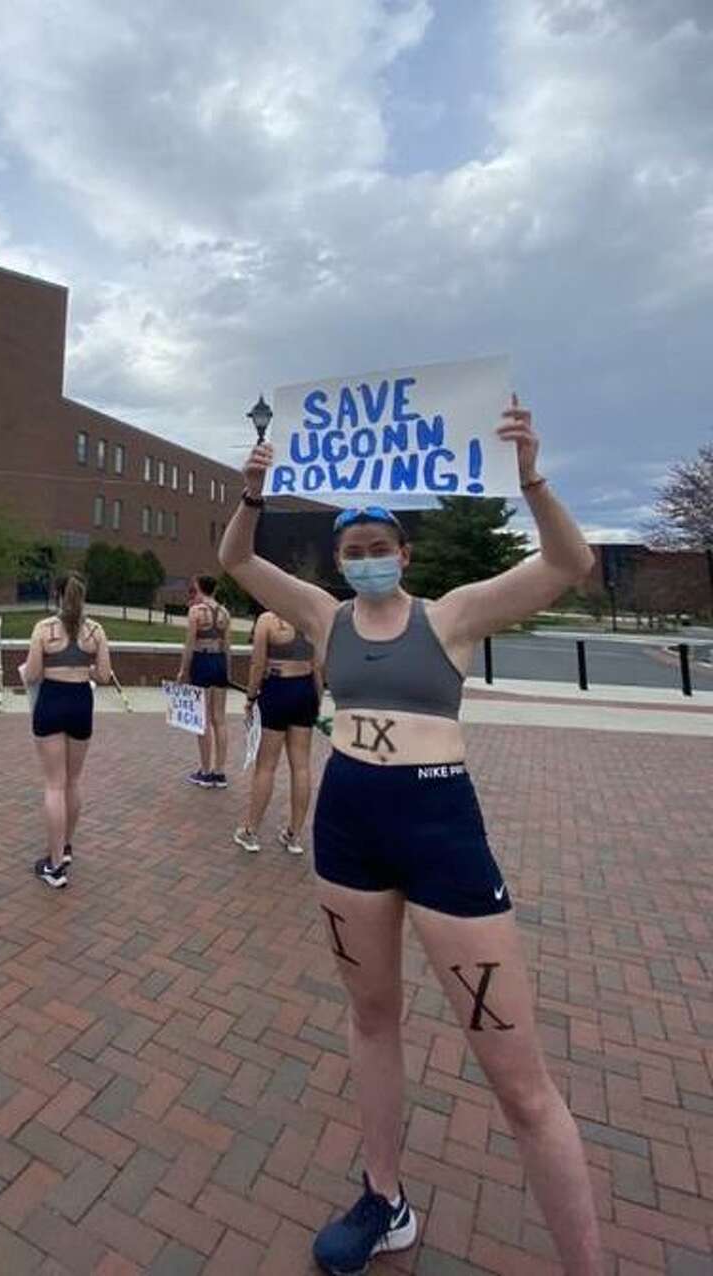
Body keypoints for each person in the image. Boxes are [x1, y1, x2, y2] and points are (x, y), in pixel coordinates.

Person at [219, 398, 603, 1274]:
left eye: (379, 546)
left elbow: (571, 563)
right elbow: (236, 559)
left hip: (440, 833)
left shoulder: (452, 616)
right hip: (349, 829)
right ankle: (385, 1197)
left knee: (519, 1079)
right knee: (371, 1015)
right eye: (352, 550)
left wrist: (533, 476)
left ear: (406, 553)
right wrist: (253, 492)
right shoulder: (325, 617)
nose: (366, 560)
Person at [23, 573, 112, 888]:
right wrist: (82, 667)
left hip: (51, 701)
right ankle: (66, 846)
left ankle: (55, 863)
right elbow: (103, 675)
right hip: (80, 703)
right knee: (72, 781)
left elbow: (33, 673)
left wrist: (49, 665)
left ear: (58, 595)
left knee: (54, 785)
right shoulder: (96, 631)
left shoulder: (44, 629)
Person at [234, 609, 320, 856]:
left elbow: (258, 664)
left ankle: (251, 831)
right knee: (301, 766)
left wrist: (251, 697)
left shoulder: (267, 620)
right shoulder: (308, 618)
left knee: (266, 765)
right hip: (305, 689)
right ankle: (293, 835)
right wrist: (315, 699)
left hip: (277, 689)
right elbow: (317, 665)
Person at [177, 574, 230, 788]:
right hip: (219, 662)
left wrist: (183, 671)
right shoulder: (225, 613)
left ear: (200, 589)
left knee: (203, 719)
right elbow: (228, 646)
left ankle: (206, 771)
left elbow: (189, 645)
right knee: (220, 718)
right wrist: (228, 671)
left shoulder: (196, 612)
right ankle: (219, 771)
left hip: (202, 661)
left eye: (194, 589)